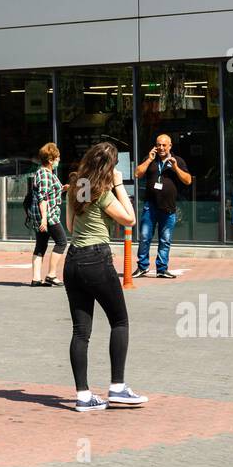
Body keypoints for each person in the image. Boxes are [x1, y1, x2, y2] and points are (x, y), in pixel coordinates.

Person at [63, 142, 146, 412]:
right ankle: (118, 388)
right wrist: (120, 185)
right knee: (120, 321)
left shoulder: (77, 186)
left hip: (73, 260)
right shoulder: (102, 191)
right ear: (110, 168)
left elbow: (70, 226)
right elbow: (130, 219)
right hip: (96, 259)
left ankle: (83, 395)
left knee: (80, 331)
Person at [133, 133, 192, 278]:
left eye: (164, 145)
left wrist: (176, 168)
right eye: (158, 144)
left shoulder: (177, 160)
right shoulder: (150, 159)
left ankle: (162, 269)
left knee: (165, 240)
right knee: (145, 236)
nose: (161, 148)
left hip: (168, 207)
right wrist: (148, 161)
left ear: (170, 146)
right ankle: (142, 267)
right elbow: (137, 174)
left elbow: (188, 180)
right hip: (150, 206)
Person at [25, 143, 66, 287]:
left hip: (41, 215)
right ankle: (51, 274)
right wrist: (44, 219)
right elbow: (43, 198)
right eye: (57, 157)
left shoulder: (44, 173)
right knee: (61, 242)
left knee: (41, 245)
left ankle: (36, 278)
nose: (59, 160)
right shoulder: (44, 174)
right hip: (48, 215)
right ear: (50, 160)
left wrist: (64, 188)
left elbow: (49, 193)